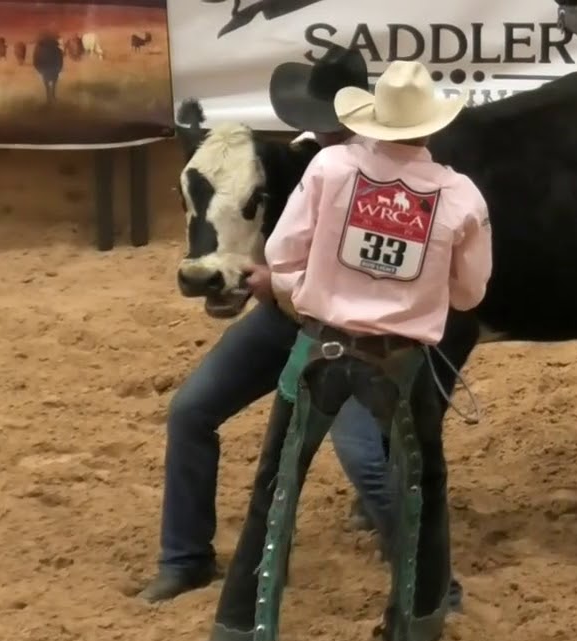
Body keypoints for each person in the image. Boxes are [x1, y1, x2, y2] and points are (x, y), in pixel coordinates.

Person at [206, 60, 491, 641]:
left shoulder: (331, 168)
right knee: (422, 485)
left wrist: (327, 281)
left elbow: (282, 254)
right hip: (402, 360)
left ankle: (242, 637)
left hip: (321, 346)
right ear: (430, 126)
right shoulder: (461, 195)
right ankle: (414, 624)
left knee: (276, 486)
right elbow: (470, 295)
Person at [138, 45, 392, 603]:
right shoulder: (305, 159)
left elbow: (357, 276)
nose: (321, 133)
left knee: (366, 458)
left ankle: (429, 577)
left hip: (347, 335)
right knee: (190, 412)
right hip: (288, 319)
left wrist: (273, 284)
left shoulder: (386, 181)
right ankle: (184, 557)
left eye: (333, 125)